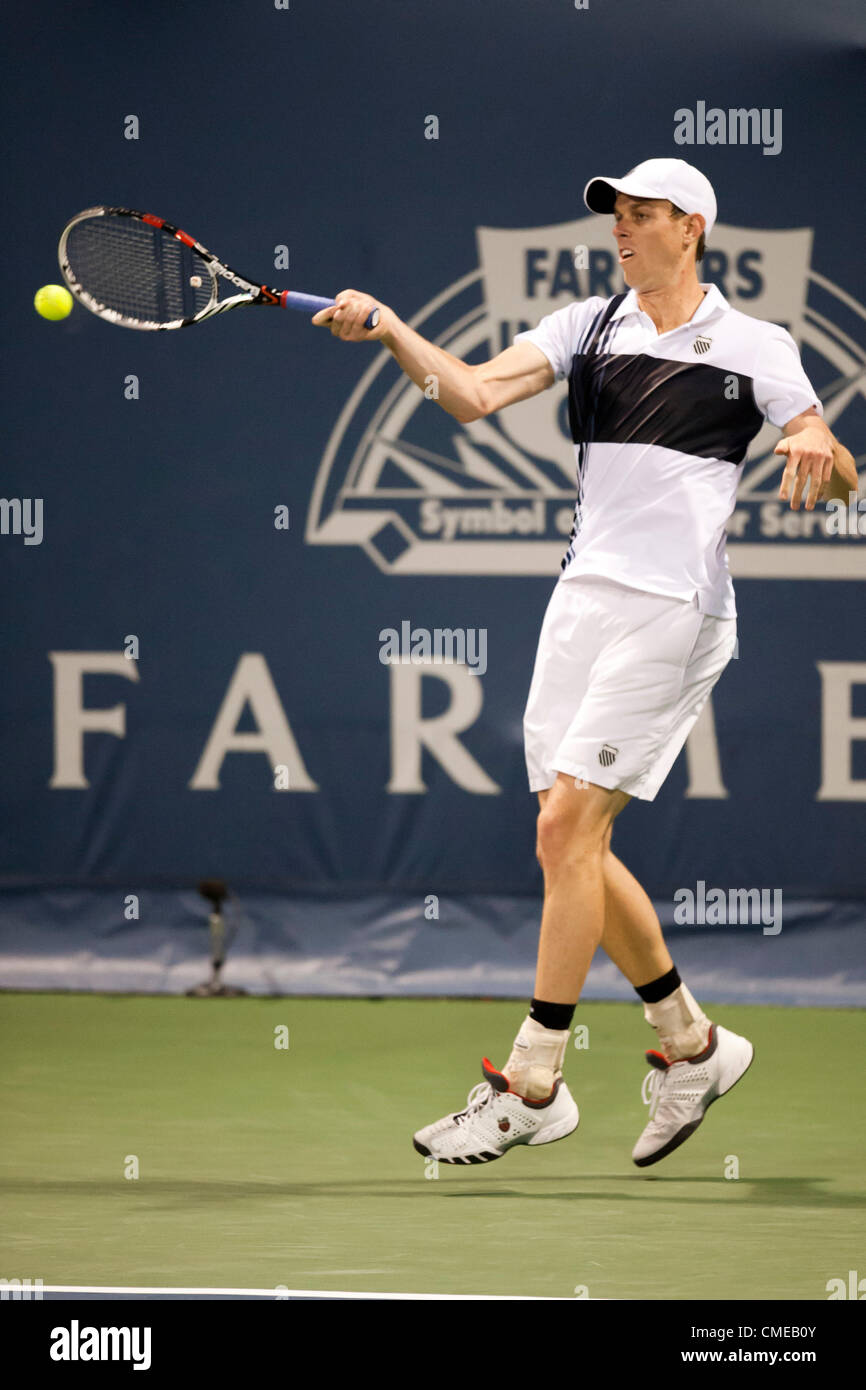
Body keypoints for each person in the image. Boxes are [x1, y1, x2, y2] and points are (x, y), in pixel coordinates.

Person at [313, 158, 858, 1168]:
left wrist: (819, 448)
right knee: (570, 845)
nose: (621, 229)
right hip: (581, 604)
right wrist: (390, 329)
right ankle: (692, 1046)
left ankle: (532, 1082)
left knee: (567, 824)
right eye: (616, 214)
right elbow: (471, 395)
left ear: (690, 228)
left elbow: (828, 466)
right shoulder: (584, 326)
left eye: (642, 215)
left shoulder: (754, 344)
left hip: (673, 608)